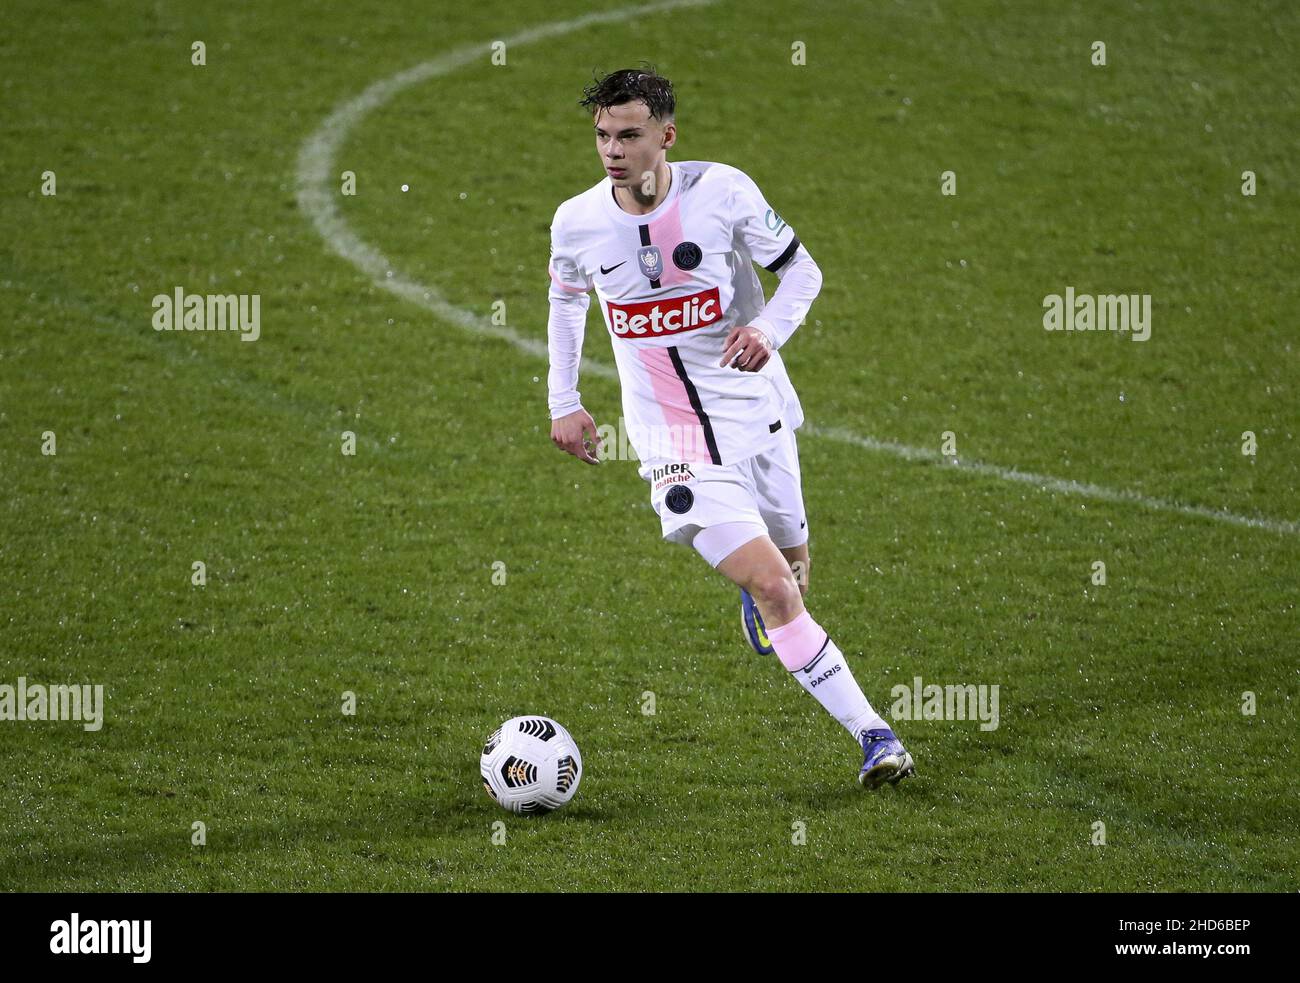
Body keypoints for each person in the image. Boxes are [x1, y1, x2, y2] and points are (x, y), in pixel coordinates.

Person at [546, 65, 913, 788]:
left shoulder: (724, 191)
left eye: (629, 135)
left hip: (759, 413)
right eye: (601, 136)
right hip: (674, 445)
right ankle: (875, 735)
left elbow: (803, 271)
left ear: (666, 136)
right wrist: (563, 397)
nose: (612, 151)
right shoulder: (577, 221)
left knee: (797, 572)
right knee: (779, 588)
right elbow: (566, 302)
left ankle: (772, 594)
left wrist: (769, 330)